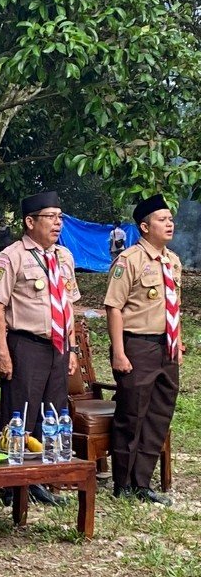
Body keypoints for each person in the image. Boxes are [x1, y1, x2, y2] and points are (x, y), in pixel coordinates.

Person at [0, 191, 80, 506]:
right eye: (50, 217)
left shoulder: (64, 256)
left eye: (60, 217)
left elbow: (68, 305)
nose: (57, 223)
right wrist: (3, 353)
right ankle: (12, 484)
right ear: (29, 221)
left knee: (50, 413)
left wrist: (72, 348)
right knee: (20, 414)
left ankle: (38, 479)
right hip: (26, 345)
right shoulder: (11, 256)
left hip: (58, 346)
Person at [104, 194, 181, 506]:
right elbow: (113, 307)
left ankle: (142, 482)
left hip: (167, 348)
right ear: (145, 227)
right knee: (132, 414)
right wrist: (119, 352)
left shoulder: (172, 261)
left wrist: (177, 339)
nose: (169, 224)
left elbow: (173, 305)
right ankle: (122, 482)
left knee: (159, 414)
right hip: (137, 345)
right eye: (162, 220)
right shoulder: (129, 260)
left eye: (170, 219)